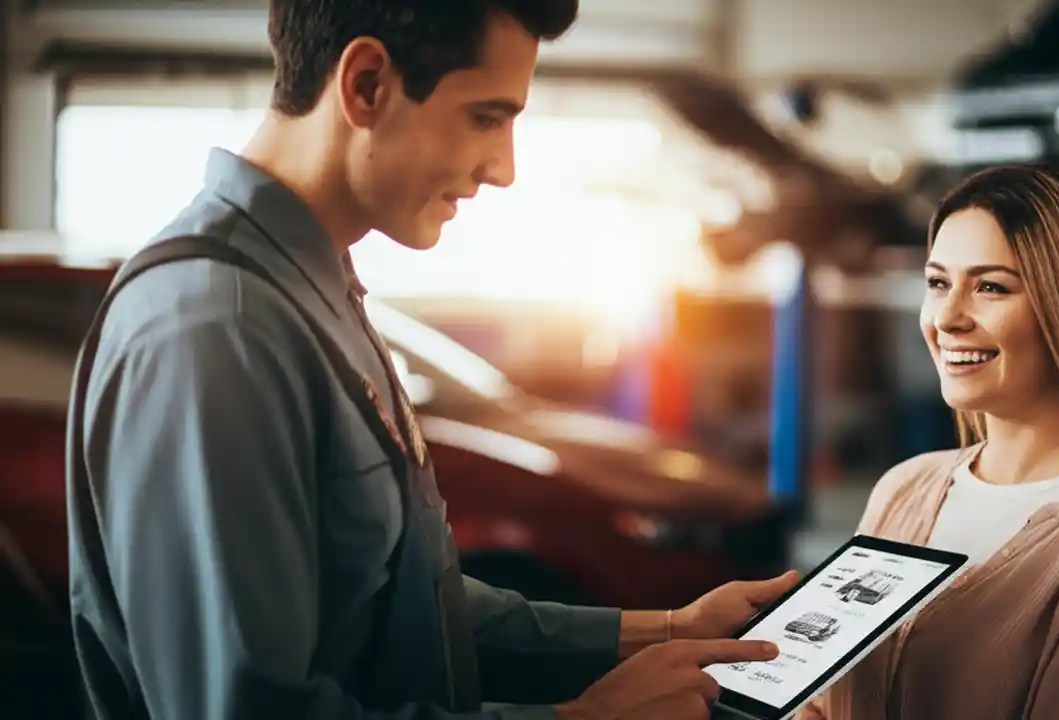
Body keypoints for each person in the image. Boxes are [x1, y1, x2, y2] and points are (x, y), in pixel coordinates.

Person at [65, 2, 797, 718]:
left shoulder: (308, 292)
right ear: (367, 86)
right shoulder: (219, 323)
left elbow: (399, 604)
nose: (503, 168)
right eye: (487, 116)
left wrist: (665, 631)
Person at [801, 165, 1059, 720]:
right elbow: (818, 702)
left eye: (990, 287)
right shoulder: (904, 488)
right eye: (938, 282)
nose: (948, 318)